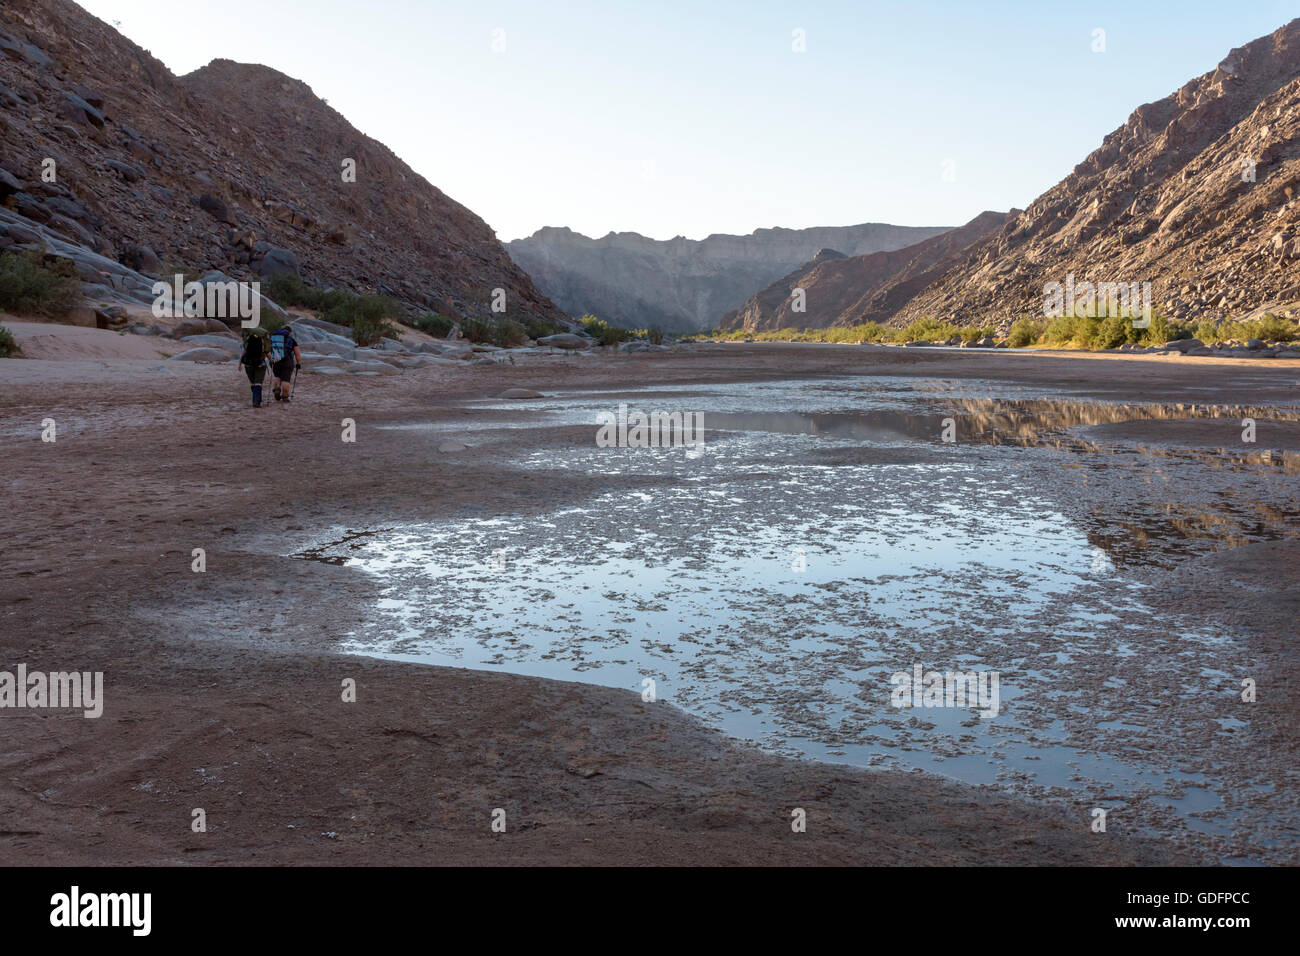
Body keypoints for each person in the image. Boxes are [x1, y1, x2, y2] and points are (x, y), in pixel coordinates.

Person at [239, 326, 271, 407]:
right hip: (260, 363)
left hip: (248, 363)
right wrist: (271, 360)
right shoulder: (263, 339)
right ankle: (256, 402)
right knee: (258, 383)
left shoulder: (247, 340)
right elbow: (267, 352)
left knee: (253, 383)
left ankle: (256, 399)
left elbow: (243, 352)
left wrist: (239, 364)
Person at [269, 324, 302, 403]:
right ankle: (285, 396)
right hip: (287, 361)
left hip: (275, 360)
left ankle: (277, 389)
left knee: (277, 376)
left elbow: (269, 350)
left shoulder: (274, 339)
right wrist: (298, 363)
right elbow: (297, 354)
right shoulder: (291, 340)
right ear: (289, 332)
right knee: (286, 379)